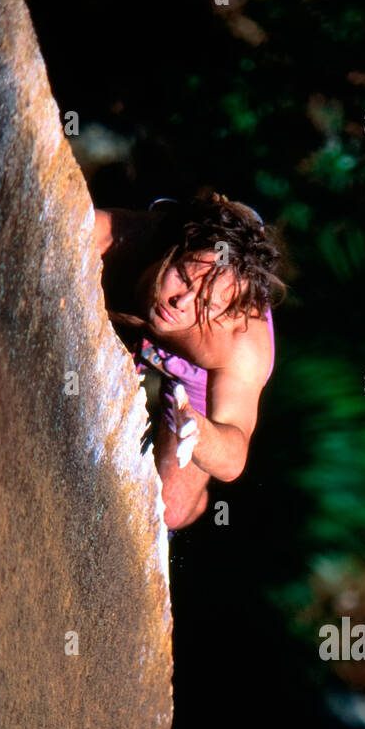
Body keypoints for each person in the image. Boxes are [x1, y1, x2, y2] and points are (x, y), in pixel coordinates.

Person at [94, 190, 286, 530]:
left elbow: (232, 458)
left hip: (194, 373)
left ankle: (199, 499)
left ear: (227, 313)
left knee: (169, 512)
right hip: (135, 297)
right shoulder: (131, 237)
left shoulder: (239, 345)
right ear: (173, 252)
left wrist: (199, 432)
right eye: (182, 277)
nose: (181, 301)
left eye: (207, 304)